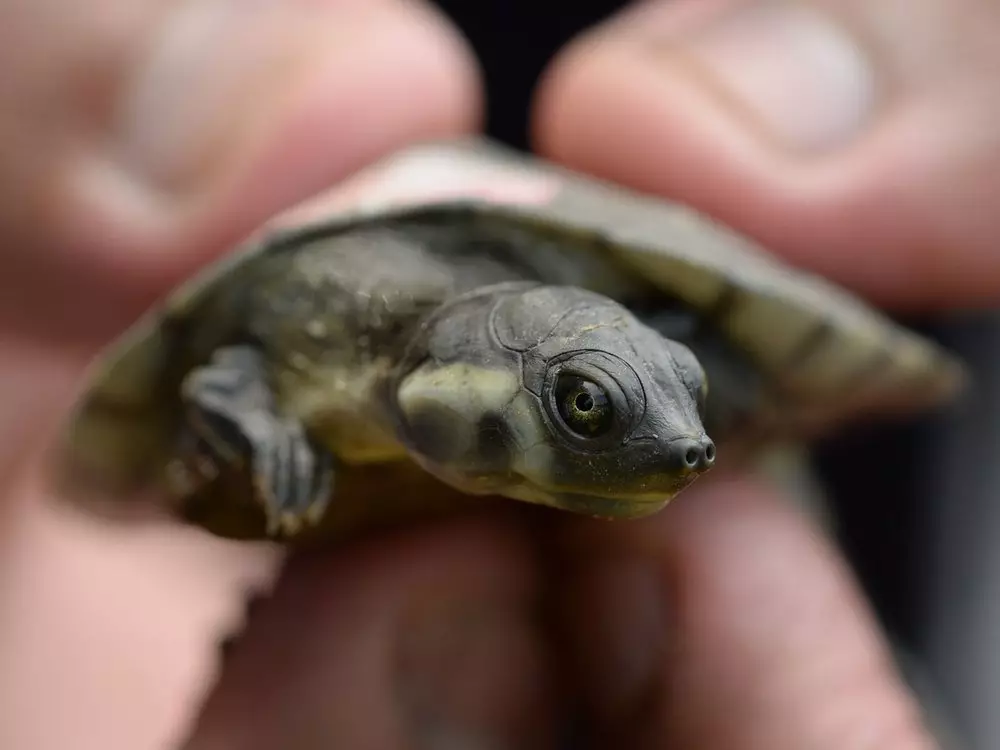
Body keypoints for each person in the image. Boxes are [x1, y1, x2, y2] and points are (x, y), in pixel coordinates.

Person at [1, 1, 996, 747]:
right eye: (584, 408)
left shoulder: (621, 329)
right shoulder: (303, 307)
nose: (687, 447)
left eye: (684, 391)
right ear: (452, 379)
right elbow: (215, 380)